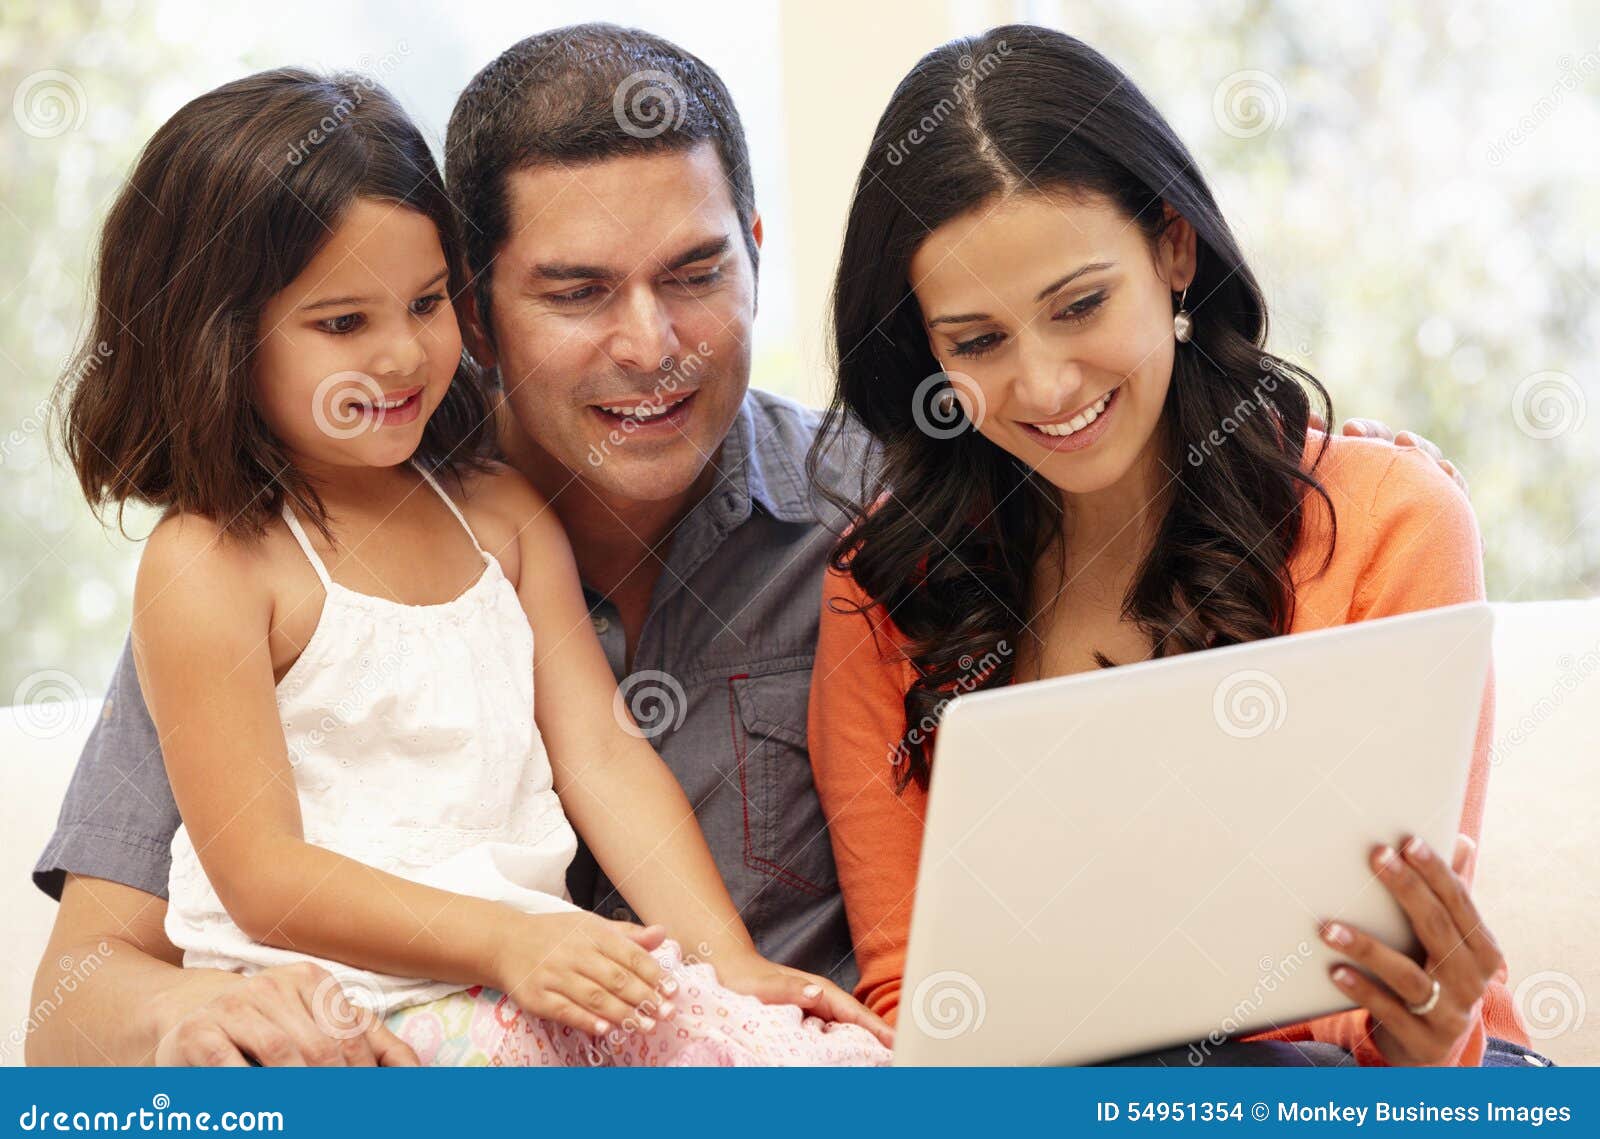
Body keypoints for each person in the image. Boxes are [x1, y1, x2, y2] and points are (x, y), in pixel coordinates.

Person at [27, 22, 1457, 1067]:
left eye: (698, 274)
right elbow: (77, 989)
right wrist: (193, 1012)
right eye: (577, 290)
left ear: (759, 247)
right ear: (471, 295)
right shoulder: (274, 556)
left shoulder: (898, 535)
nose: (650, 345)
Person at [46, 66, 890, 1068]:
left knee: (828, 1067)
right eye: (344, 322)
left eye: (423, 302)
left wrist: (728, 960)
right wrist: (502, 939)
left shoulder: (502, 514)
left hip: (564, 986)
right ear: (223, 343)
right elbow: (223, 899)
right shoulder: (214, 567)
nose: (403, 354)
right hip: (372, 1013)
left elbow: (604, 753)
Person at [807, 26, 1535, 1066]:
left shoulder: (1391, 518)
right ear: (923, 347)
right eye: (977, 342)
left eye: (1081, 305)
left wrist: (1413, 1026)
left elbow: (1402, 957)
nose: (1048, 385)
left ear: (1173, 248)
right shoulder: (881, 586)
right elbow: (913, 997)